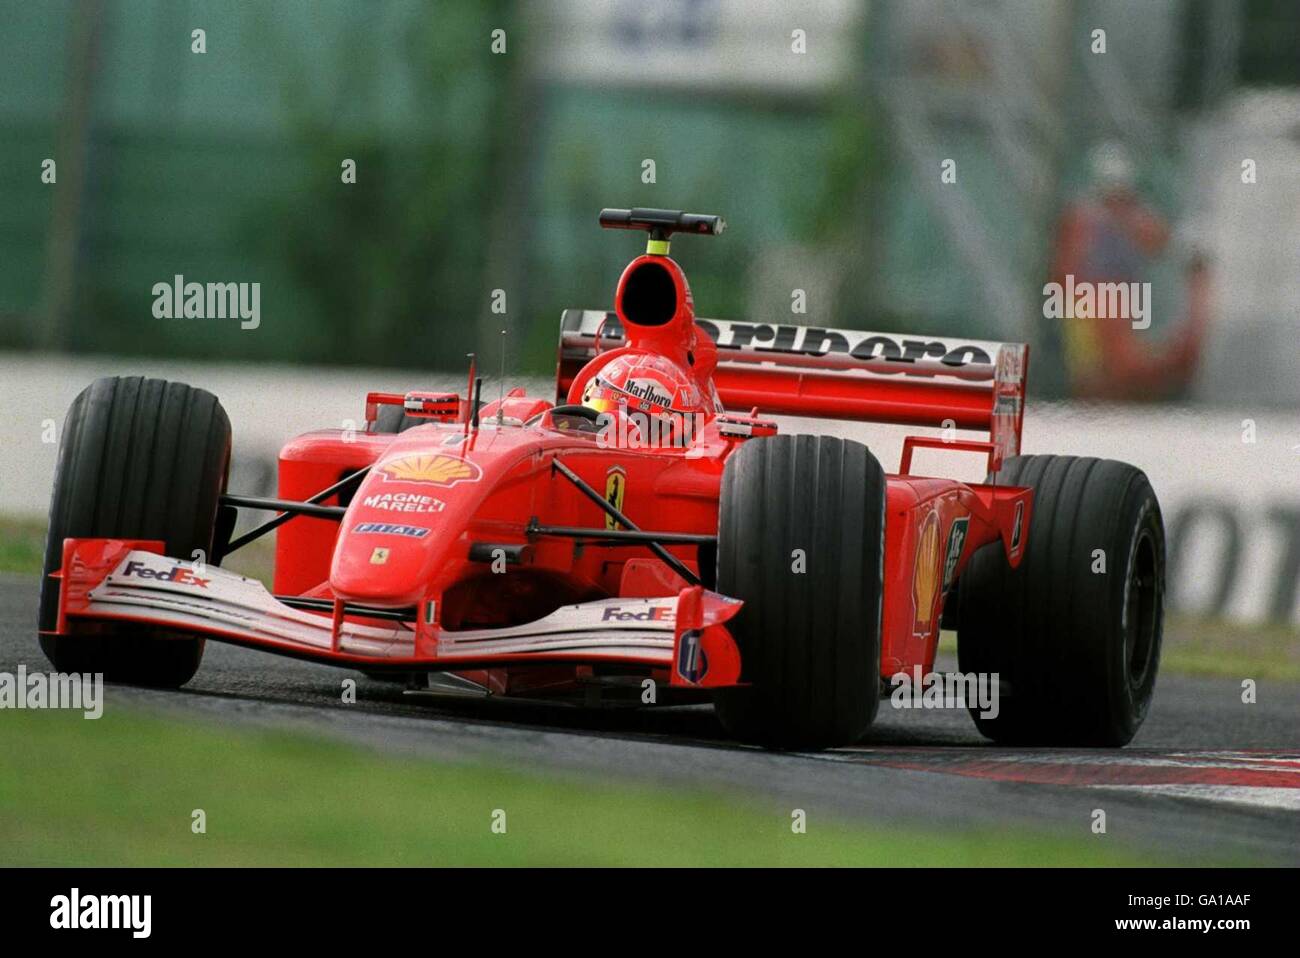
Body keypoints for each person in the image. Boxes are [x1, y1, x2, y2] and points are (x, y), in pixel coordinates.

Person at [1051, 142, 1212, 400]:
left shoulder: (1132, 219)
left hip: (1111, 302)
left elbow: (1162, 240)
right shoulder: (1085, 219)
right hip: (1091, 304)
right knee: (1098, 376)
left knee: (1113, 373)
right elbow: (1066, 269)